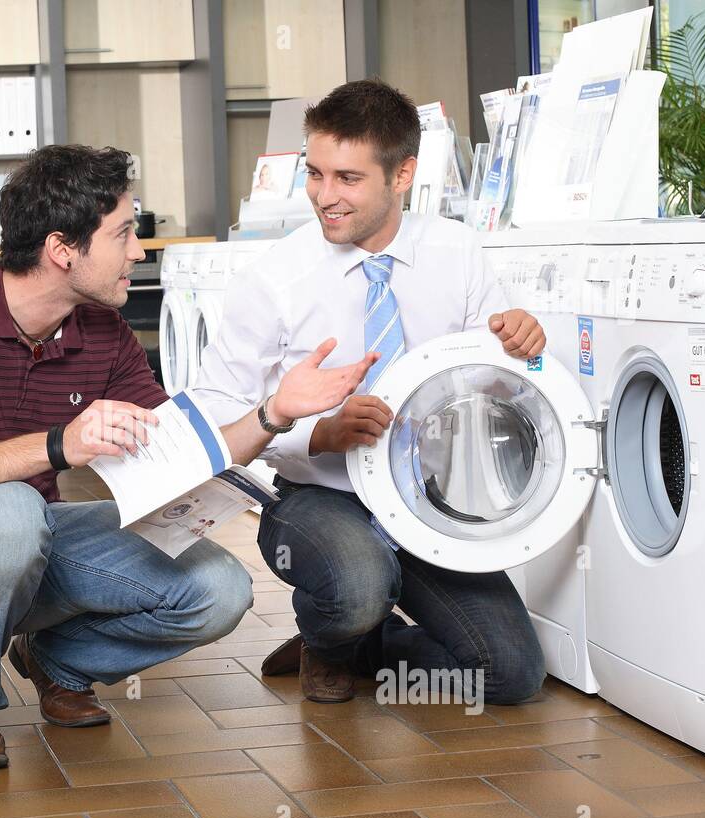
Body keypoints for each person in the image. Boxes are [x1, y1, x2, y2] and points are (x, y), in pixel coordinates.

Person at [0, 144, 378, 770]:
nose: (138, 250)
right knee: (12, 509)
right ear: (62, 249)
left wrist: (275, 413)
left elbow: (182, 456)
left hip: (29, 540)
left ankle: (56, 660)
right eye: (124, 232)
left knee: (218, 588)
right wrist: (59, 444)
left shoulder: (100, 329)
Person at [191, 80, 549, 706]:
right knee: (358, 581)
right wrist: (316, 432)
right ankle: (332, 633)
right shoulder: (272, 279)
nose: (325, 198)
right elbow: (216, 416)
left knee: (511, 674)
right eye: (316, 174)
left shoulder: (457, 253)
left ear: (403, 174)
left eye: (348, 179)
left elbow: (496, 381)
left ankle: (361, 646)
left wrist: (521, 341)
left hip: (426, 503)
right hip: (318, 498)